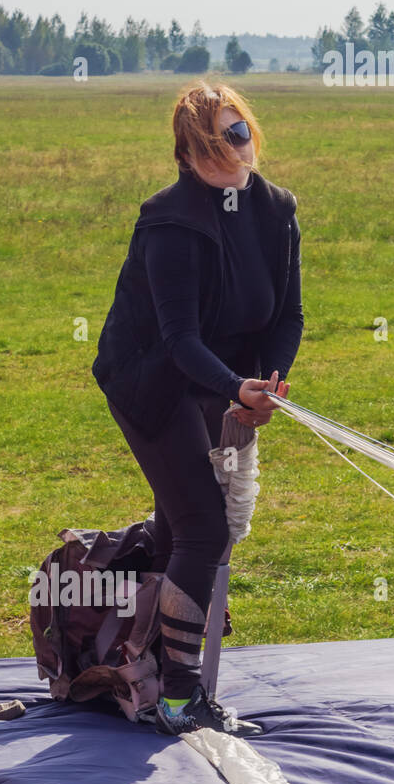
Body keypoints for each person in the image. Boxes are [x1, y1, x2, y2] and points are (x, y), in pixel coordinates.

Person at [91, 81, 303, 736]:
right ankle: (180, 701)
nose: (230, 150)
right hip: (148, 377)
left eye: (237, 132)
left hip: (222, 380)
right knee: (203, 528)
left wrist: (266, 385)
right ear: (186, 151)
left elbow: (287, 316)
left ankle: (139, 664)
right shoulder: (171, 221)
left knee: (182, 527)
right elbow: (178, 340)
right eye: (213, 140)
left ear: (251, 133)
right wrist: (236, 388)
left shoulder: (275, 210)